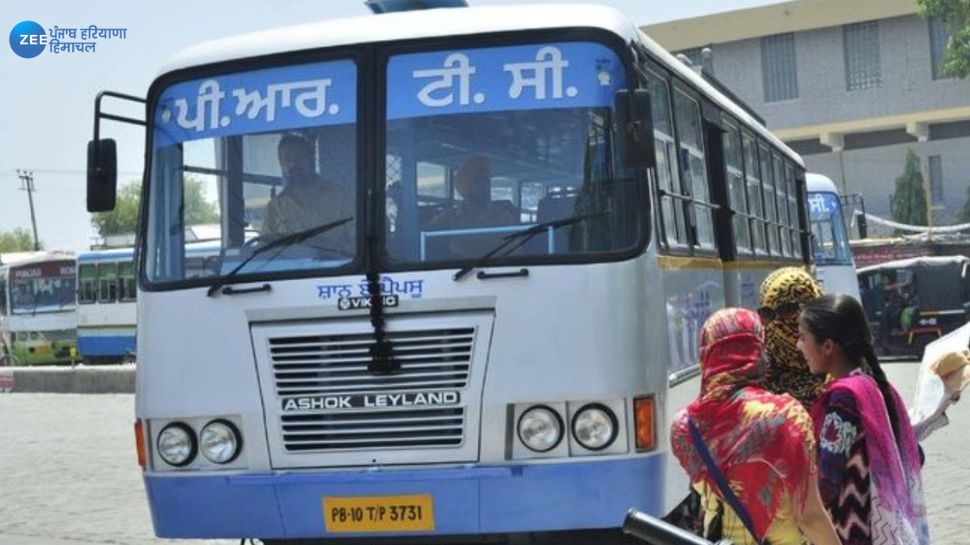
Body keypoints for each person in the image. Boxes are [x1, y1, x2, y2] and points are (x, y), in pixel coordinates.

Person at [671, 307, 841, 545]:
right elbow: (809, 516)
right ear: (758, 351)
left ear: (707, 354)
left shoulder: (684, 426)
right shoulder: (784, 418)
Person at [798, 294, 929, 545]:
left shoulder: (842, 399)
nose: (798, 346)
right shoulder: (875, 386)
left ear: (828, 346)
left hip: (852, 532)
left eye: (803, 338)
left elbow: (826, 483)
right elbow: (915, 454)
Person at [260, 133, 355, 254]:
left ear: (311, 159)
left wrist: (334, 253)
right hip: (288, 271)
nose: (293, 164)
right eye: (287, 159)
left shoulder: (341, 196)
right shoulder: (274, 207)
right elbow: (264, 251)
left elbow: (359, 241)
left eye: (299, 157)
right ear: (281, 164)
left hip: (336, 270)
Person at [758, 267, 826, 408]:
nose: (776, 322)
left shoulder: (841, 372)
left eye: (787, 310)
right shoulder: (760, 375)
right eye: (767, 314)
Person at [426, 156, 518, 258]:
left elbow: (515, 255)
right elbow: (425, 240)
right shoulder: (448, 218)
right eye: (477, 182)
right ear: (465, 188)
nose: (485, 186)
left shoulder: (503, 218)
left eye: (487, 181)